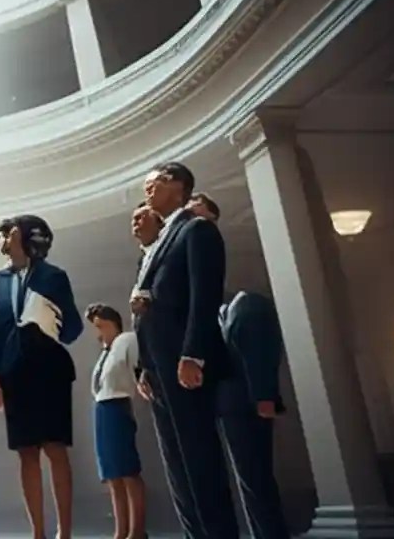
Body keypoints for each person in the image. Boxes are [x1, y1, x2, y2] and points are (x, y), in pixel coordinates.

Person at [132, 162, 237, 539]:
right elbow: (148, 306)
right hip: (158, 368)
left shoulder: (196, 229)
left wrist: (193, 354)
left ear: (178, 185)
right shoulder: (156, 243)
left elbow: (204, 295)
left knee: (199, 460)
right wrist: (144, 367)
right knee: (176, 465)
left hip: (184, 362)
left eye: (155, 182)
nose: (147, 189)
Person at [0, 215, 84, 539]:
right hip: (13, 374)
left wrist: (50, 317)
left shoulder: (54, 275)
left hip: (50, 369)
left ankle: (64, 532)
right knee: (26, 452)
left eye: (8, 233)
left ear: (22, 235)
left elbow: (73, 329)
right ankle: (37, 533)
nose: (2, 239)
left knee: (55, 448)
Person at [217, 290, 290, 539]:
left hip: (245, 406)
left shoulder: (249, 307)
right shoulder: (230, 311)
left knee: (256, 480)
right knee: (251, 481)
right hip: (236, 407)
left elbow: (260, 354)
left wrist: (264, 397)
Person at [85, 304, 146, 539]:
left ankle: (136, 531)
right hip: (102, 408)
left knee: (127, 470)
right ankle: (120, 531)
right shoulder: (105, 352)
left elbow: (138, 368)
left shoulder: (127, 341)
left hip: (117, 405)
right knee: (112, 474)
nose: (98, 333)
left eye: (101, 326)